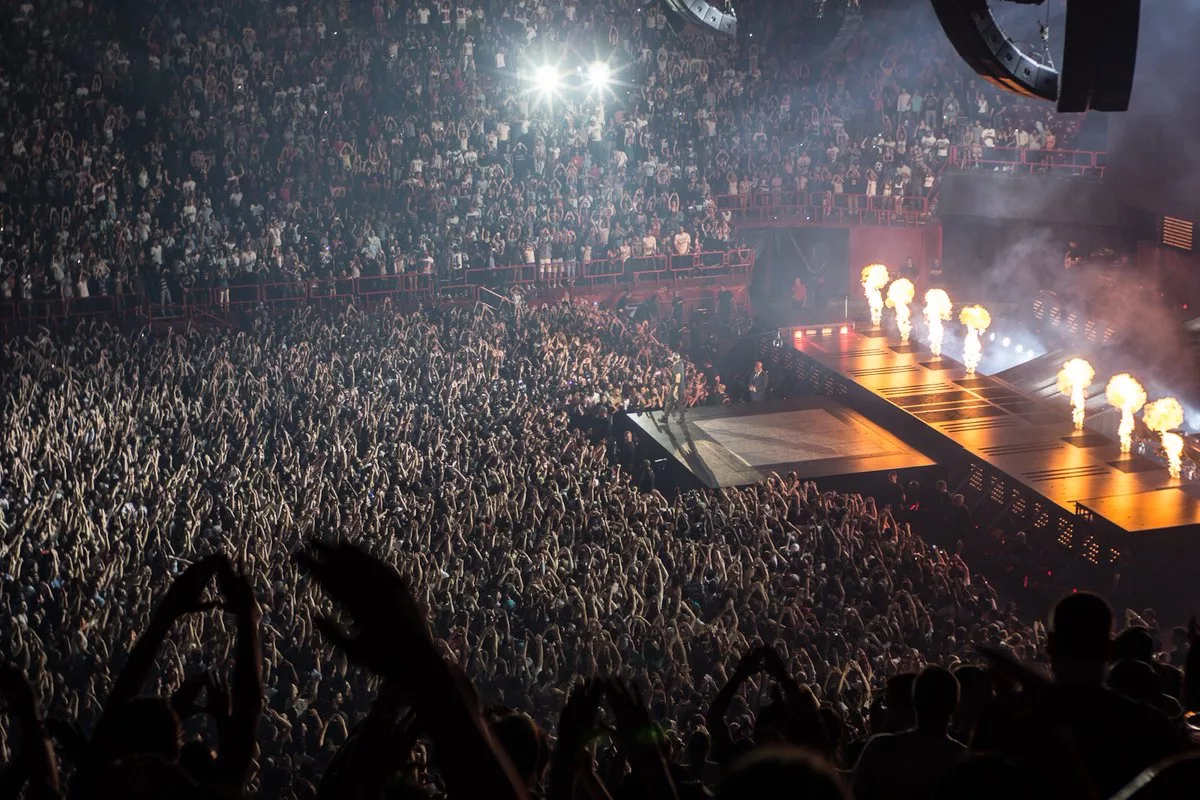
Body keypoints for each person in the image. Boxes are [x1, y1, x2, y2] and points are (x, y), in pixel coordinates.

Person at [852, 667, 966, 800]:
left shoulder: (881, 749)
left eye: (888, 703)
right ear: (956, 706)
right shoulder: (965, 760)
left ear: (915, 701)